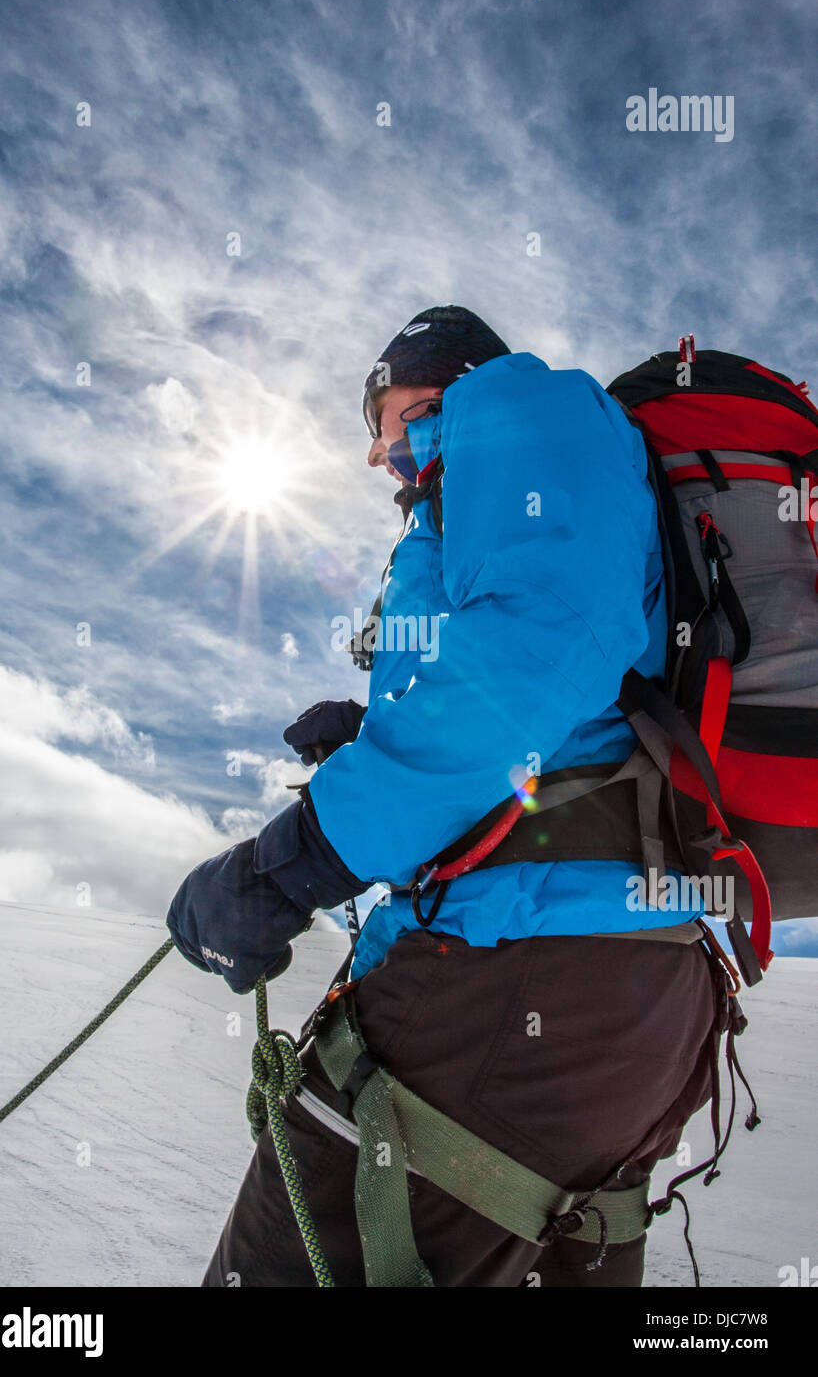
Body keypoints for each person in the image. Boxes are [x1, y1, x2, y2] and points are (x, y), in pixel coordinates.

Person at [167, 306, 719, 1287]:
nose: (379, 459)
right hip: (617, 990)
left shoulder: (510, 407)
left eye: (379, 425)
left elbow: (531, 650)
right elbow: (542, 689)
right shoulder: (486, 485)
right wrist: (370, 740)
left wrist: (301, 853)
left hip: (516, 971)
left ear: (419, 387)